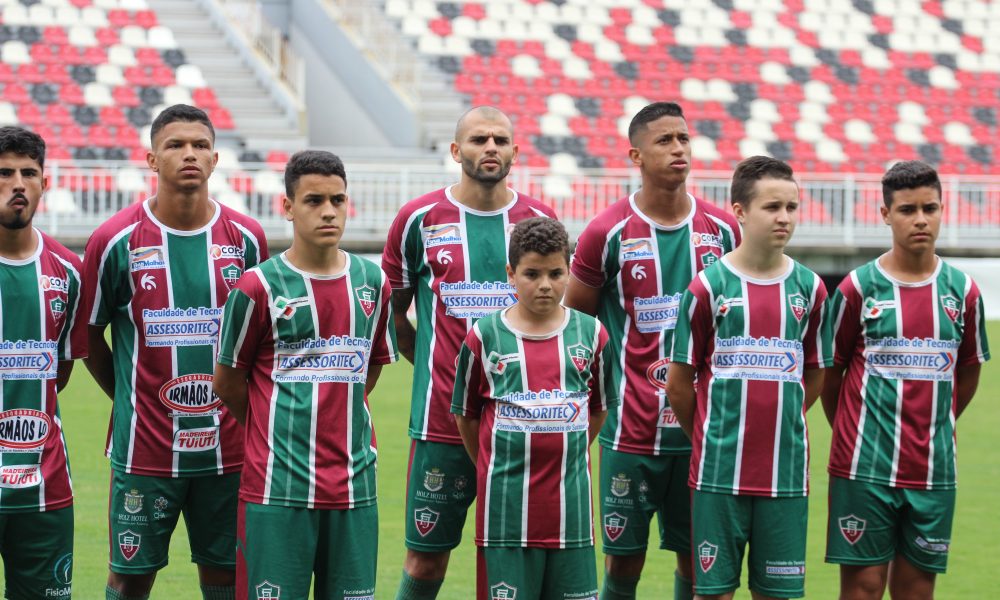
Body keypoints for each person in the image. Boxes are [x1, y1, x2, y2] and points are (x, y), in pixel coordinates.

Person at [82, 104, 268, 600]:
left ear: (214, 158)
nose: (189, 154)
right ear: (151, 158)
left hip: (229, 449)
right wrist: (130, 397)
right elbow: (89, 339)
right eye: (175, 145)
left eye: (200, 145)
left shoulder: (247, 239)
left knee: (226, 577)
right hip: (145, 450)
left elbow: (260, 343)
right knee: (129, 577)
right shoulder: (114, 240)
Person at [564, 101, 740, 600]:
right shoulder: (607, 232)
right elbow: (577, 329)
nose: (678, 148)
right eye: (664, 140)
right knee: (623, 566)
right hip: (629, 432)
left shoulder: (723, 231)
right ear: (635, 156)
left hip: (703, 433)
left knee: (698, 560)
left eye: (683, 138)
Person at [382, 106, 557, 599]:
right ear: (457, 151)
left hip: (521, 423)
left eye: (501, 140)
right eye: (479, 139)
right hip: (439, 422)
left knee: (516, 555)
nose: (491, 148)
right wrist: (445, 374)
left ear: (515, 153)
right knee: (426, 557)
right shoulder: (417, 219)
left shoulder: (539, 220)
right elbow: (395, 318)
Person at [214, 150, 397, 599]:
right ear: (288, 207)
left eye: (338, 199)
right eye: (314, 200)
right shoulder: (258, 287)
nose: (329, 211)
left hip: (354, 485)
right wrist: (271, 422)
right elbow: (228, 381)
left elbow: (368, 370)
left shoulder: (373, 283)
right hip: (278, 486)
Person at [821, 161, 990, 600]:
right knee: (863, 589)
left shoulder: (964, 292)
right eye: (907, 209)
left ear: (941, 210)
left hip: (933, 469)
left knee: (916, 593)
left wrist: (938, 422)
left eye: (929, 208)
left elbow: (968, 372)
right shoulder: (858, 289)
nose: (920, 219)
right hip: (863, 468)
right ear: (885, 214)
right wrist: (852, 427)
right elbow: (831, 372)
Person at [666, 156, 830, 600]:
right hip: (719, 474)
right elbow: (679, 383)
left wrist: (781, 420)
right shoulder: (708, 287)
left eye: (791, 207)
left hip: (785, 475)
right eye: (772, 206)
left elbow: (814, 375)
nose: (784, 217)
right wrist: (707, 432)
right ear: (739, 211)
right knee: (713, 593)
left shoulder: (811, 289)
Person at [452, 217, 614, 600]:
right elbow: (466, 414)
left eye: (556, 273)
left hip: (571, 516)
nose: (545, 284)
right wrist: (493, 461)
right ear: (511, 273)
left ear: (570, 270)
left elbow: (598, 410)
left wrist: (564, 446)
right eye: (532, 273)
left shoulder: (591, 334)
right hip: (505, 518)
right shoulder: (484, 335)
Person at [0, 126, 87, 599]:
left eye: (28, 172)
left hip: (44, 485)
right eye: (4, 172)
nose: (18, 183)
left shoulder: (68, 271)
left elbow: (63, 371)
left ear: (43, 183)